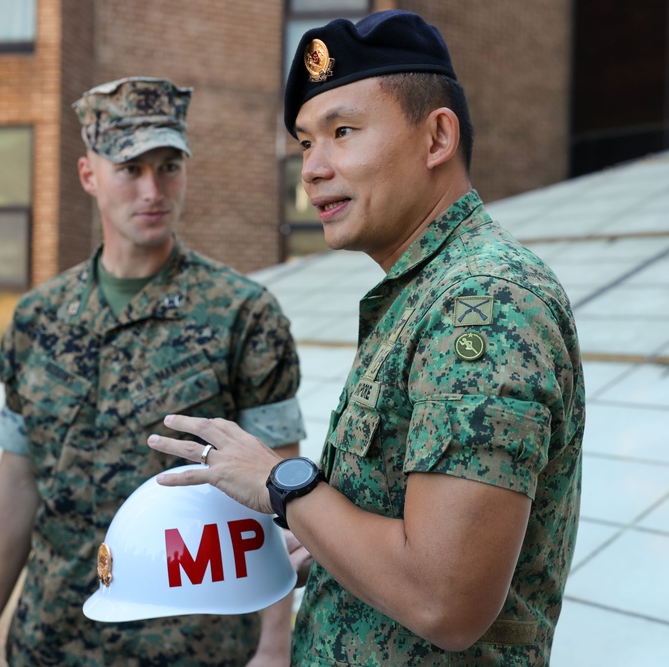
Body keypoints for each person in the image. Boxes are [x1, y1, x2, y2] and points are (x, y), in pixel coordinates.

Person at [149, 11, 584, 666]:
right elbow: (405, 541)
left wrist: (282, 484)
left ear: (437, 137)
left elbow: (446, 599)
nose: (314, 169)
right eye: (305, 143)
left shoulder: (484, 303)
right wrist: (320, 539)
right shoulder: (422, 293)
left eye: (343, 132)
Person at [0, 77, 306, 667]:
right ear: (89, 175)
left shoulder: (243, 314)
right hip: (52, 635)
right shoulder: (38, 318)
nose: (153, 189)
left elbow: (277, 489)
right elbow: (18, 478)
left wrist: (275, 642)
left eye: (169, 166)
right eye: (129, 168)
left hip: (193, 639)